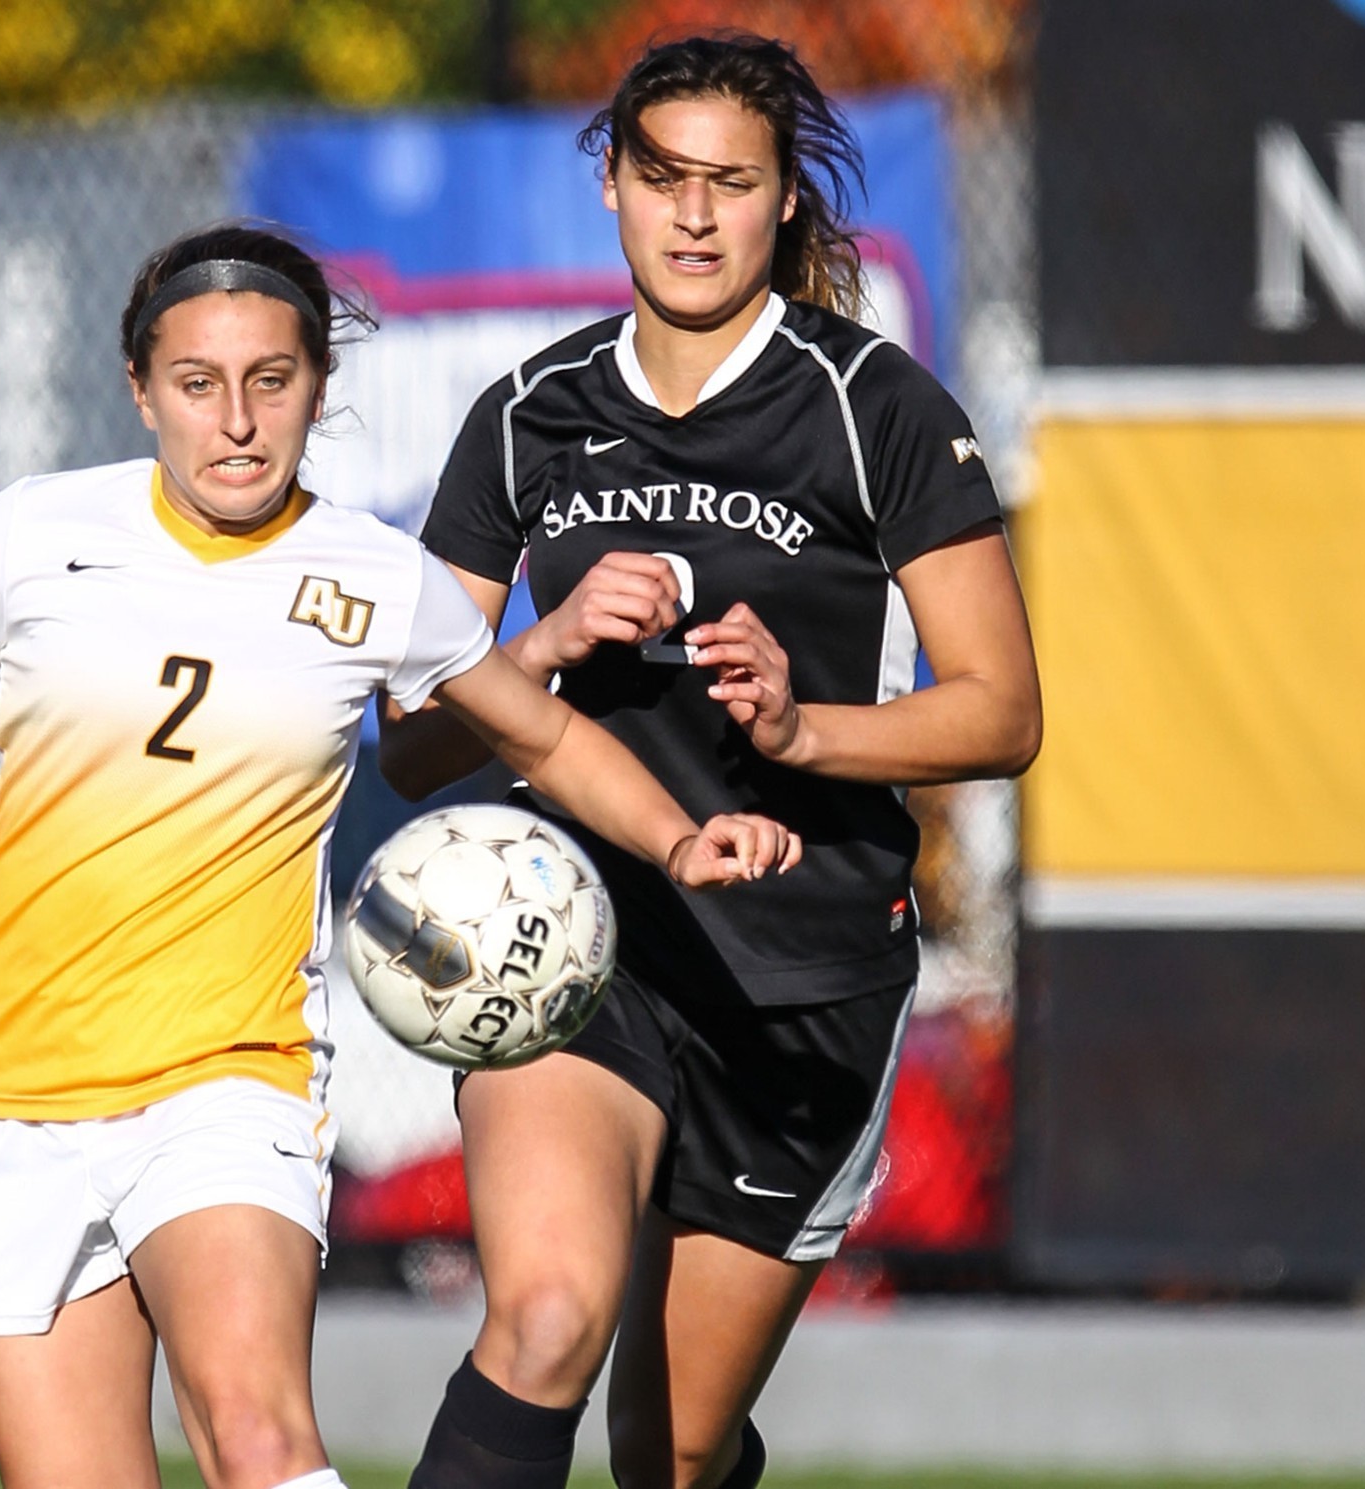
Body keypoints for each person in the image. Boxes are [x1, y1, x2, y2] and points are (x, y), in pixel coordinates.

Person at [0, 223, 800, 1489]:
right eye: (198, 384)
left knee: (256, 1436)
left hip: (230, 1079)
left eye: (271, 381)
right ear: (140, 391)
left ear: (316, 393)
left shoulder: (377, 580)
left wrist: (674, 834)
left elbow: (538, 728)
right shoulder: (35, 534)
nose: (235, 421)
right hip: (12, 1091)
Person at [380, 34, 1043, 1489]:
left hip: (803, 971)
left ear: (785, 204)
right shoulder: (524, 418)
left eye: (730, 183)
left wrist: (805, 729)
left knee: (669, 1447)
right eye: (662, 176)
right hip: (579, 938)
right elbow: (418, 743)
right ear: (609, 186)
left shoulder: (883, 415)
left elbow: (1002, 714)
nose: (693, 214)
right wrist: (541, 644)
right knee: (547, 1316)